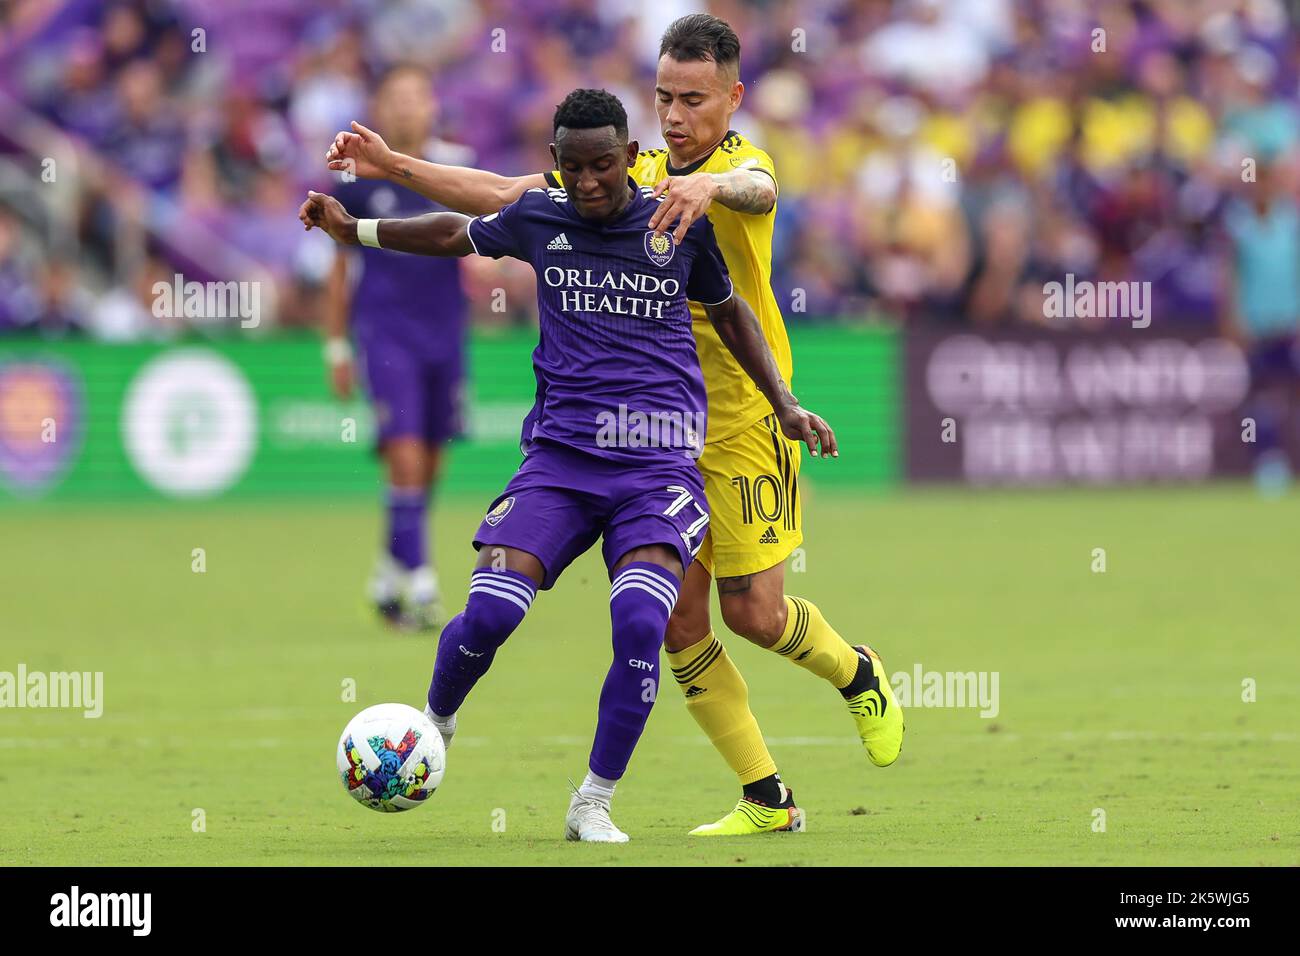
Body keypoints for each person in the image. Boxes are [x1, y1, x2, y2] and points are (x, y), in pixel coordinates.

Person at [323, 14, 903, 835]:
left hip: (738, 416)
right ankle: (766, 798)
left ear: (732, 98)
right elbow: (500, 199)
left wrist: (709, 187)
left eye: (693, 99)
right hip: (638, 435)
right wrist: (392, 167)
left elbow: (762, 193)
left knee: (756, 615)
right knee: (672, 621)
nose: (674, 115)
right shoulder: (629, 168)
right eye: (663, 96)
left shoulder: (742, 163)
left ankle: (857, 673)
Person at [324, 64, 474, 630]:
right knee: (405, 456)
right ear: (380, 110)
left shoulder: (455, 168)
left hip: (446, 335)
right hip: (386, 336)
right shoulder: (356, 179)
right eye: (396, 98)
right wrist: (336, 349)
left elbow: (481, 241)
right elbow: (340, 271)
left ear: (433, 105)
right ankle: (423, 587)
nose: (408, 108)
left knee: (430, 464)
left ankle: (387, 577)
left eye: (418, 96)